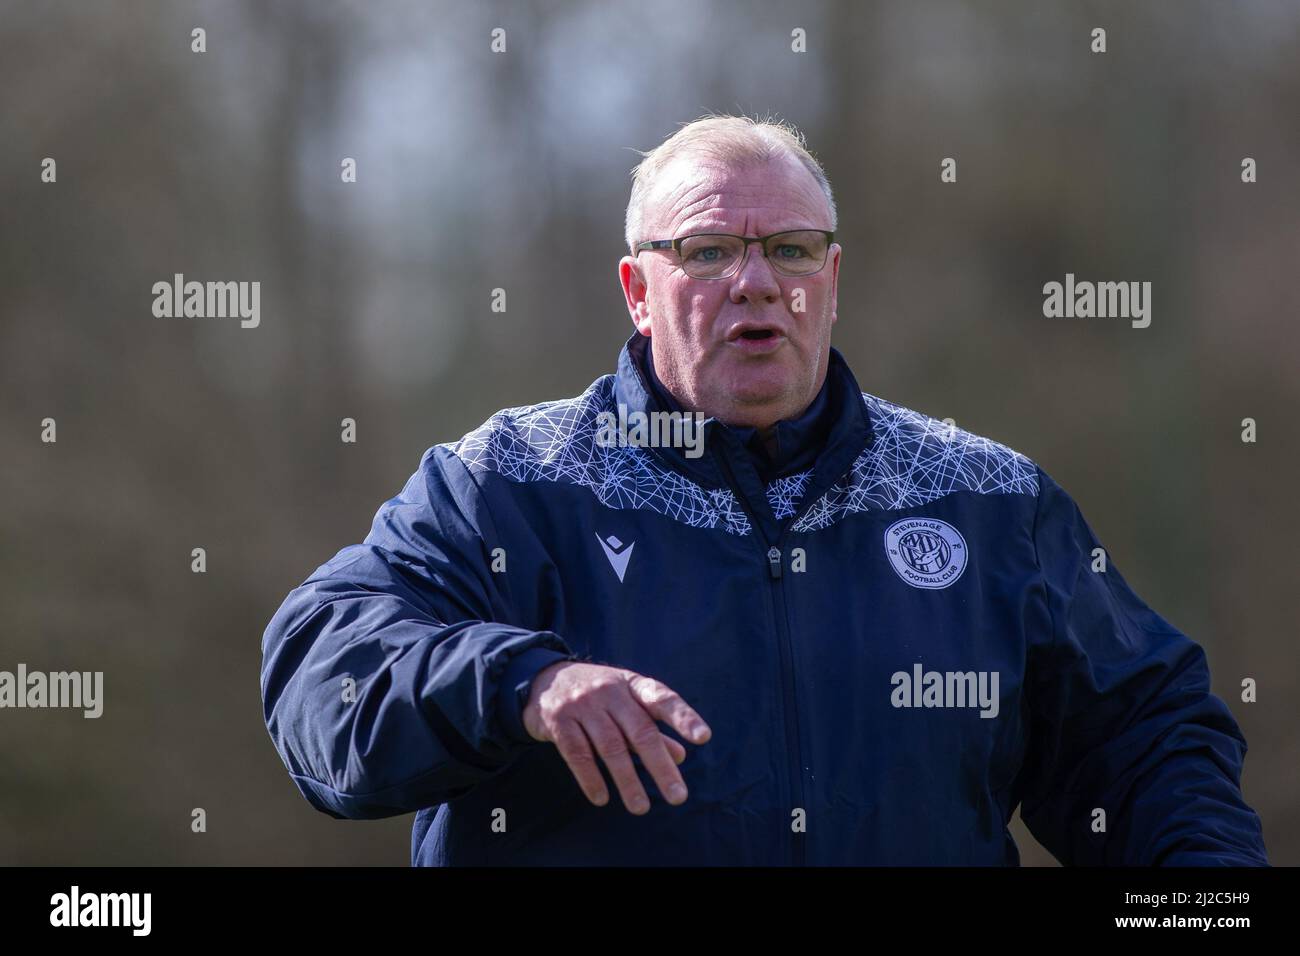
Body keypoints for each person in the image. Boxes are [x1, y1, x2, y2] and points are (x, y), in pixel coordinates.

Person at [260, 114, 1268, 866]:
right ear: (635, 291)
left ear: (830, 278)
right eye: (705, 251)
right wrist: (522, 683)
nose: (754, 281)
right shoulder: (506, 485)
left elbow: (1147, 737)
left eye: (787, 248)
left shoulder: (984, 499)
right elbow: (322, 675)